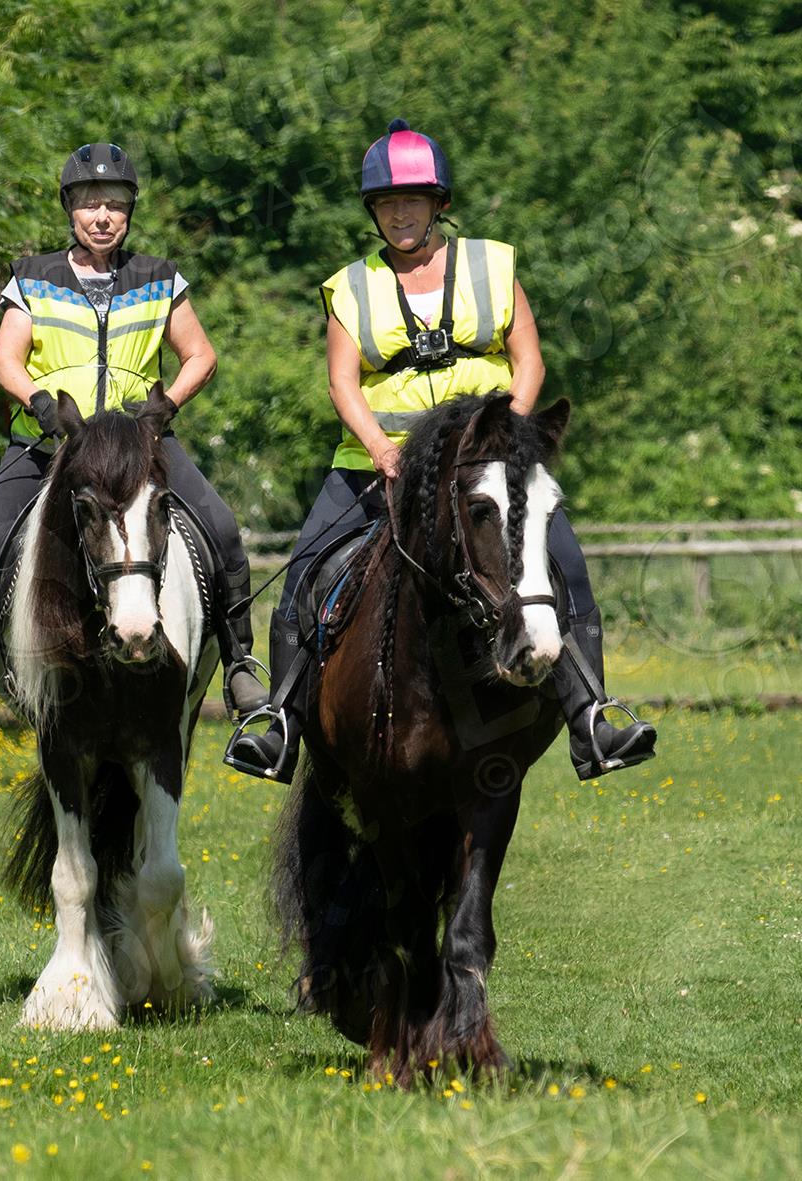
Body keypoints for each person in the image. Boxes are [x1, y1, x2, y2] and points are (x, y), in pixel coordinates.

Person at [225, 118, 657, 782]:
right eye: (388, 203)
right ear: (374, 211)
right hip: (381, 462)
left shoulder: (491, 265)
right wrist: (378, 446)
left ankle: (592, 716)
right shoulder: (351, 286)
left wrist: (508, 439)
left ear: (438, 206)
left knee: (563, 562)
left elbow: (529, 359)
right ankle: (279, 722)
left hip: (484, 461)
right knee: (305, 574)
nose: (400, 212)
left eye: (414, 200)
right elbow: (342, 379)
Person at [0, 143, 261, 732]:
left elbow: (200, 355)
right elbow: (5, 357)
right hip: (51, 444)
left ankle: (239, 662)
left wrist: (164, 409)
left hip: (138, 446)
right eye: (89, 204)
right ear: (70, 211)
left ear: (130, 211)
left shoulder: (159, 277)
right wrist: (37, 403)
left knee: (223, 530)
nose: (102, 216)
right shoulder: (33, 276)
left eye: (115, 204)